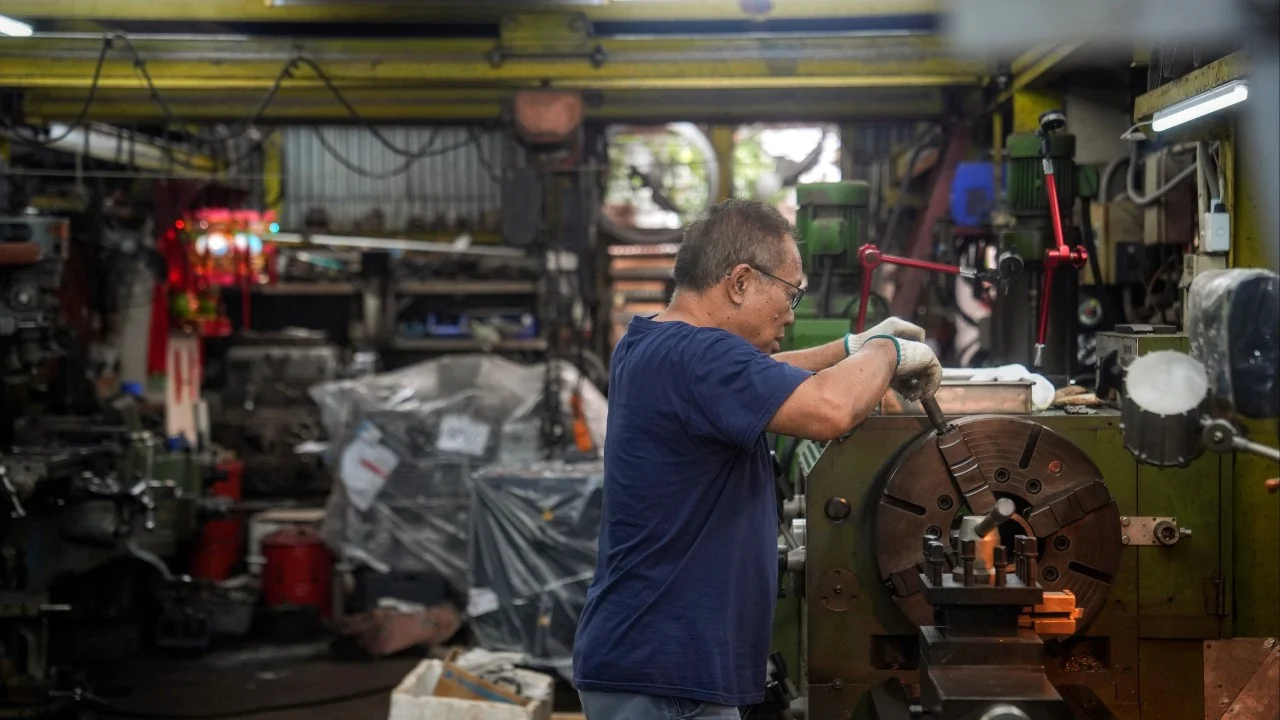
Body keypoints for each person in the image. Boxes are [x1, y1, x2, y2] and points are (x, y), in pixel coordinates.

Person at [572, 198, 942, 719]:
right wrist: (889, 355)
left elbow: (760, 375)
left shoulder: (653, 343)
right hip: (670, 679)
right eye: (791, 293)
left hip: (650, 664)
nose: (791, 313)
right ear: (741, 281)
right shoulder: (700, 358)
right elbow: (830, 410)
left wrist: (852, 347)